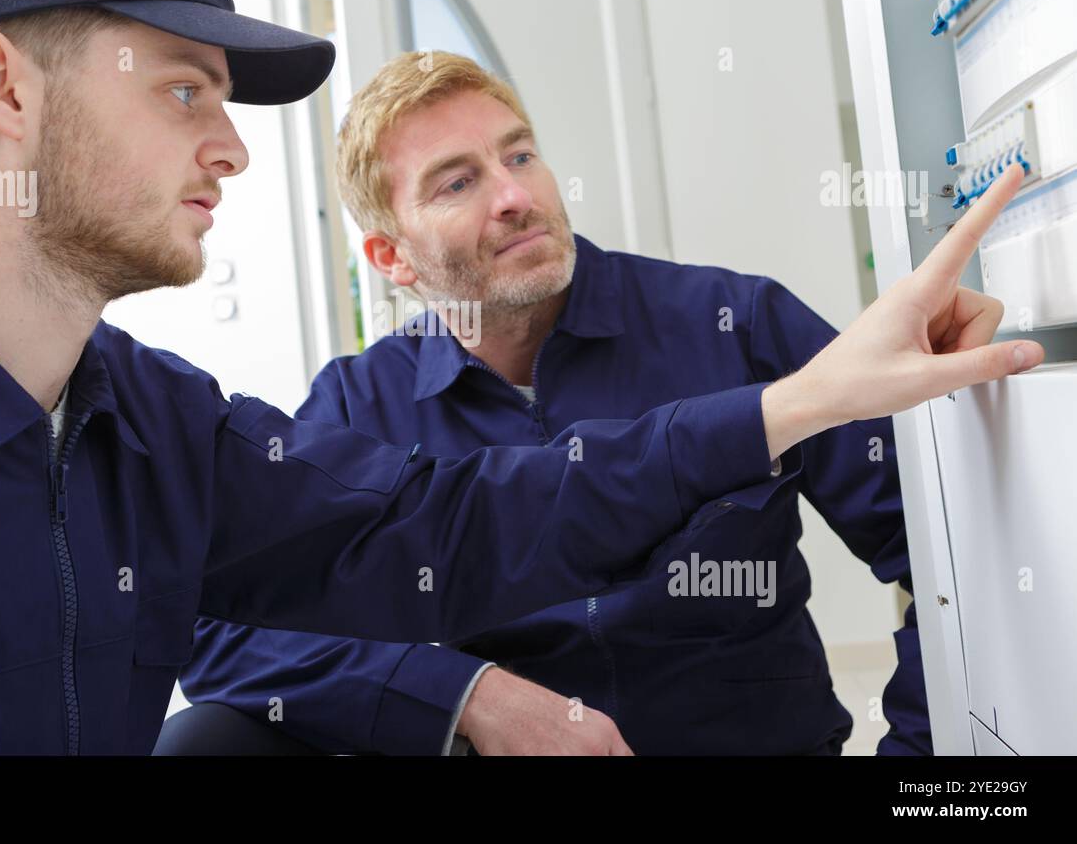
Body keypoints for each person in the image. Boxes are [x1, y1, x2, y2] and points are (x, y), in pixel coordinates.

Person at [0, 0, 1039, 754]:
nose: (229, 151)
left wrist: (805, 395)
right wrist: (461, 695)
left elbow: (469, 519)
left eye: (518, 157)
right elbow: (241, 650)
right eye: (182, 91)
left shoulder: (153, 427)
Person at [177, 53, 959, 756]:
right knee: (205, 741)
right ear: (392, 256)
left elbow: (943, 554)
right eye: (458, 182)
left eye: (520, 155)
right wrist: (464, 696)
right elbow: (219, 634)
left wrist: (917, 764)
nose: (516, 195)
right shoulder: (356, 404)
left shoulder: (738, 324)